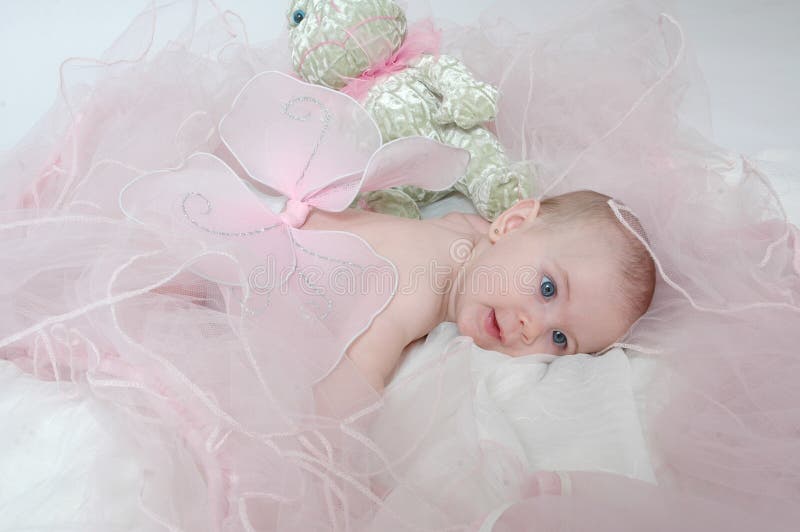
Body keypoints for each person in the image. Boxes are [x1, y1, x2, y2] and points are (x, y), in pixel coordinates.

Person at [306, 189, 655, 392]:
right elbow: (358, 365)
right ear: (511, 224)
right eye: (547, 289)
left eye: (560, 338)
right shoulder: (422, 289)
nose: (532, 327)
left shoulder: (473, 236)